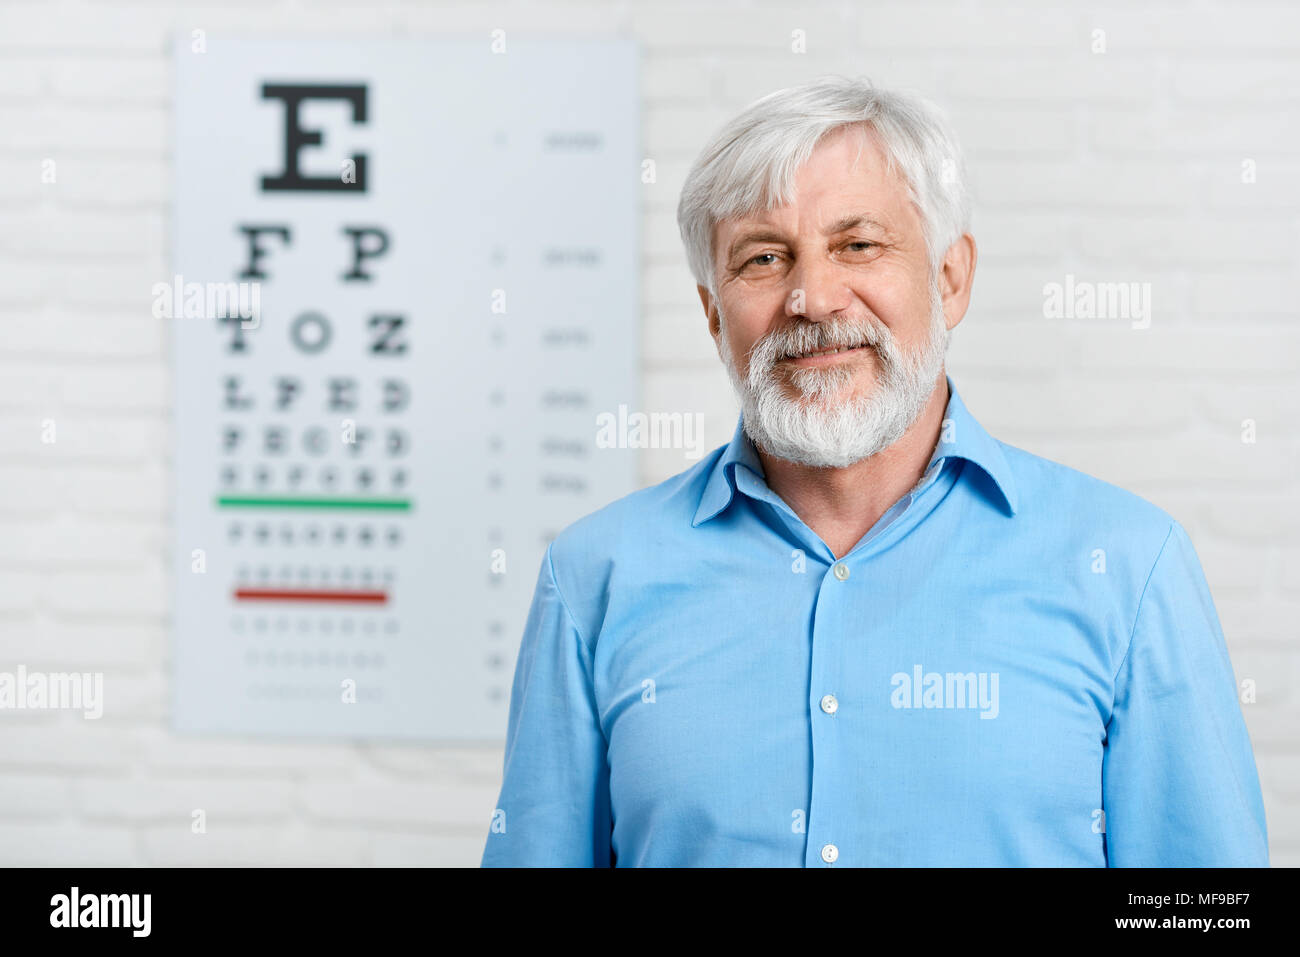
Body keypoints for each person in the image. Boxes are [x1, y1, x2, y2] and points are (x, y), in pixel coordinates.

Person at [481, 75, 1268, 867]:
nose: (814, 298)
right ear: (713, 312)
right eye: (763, 257)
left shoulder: (1129, 569)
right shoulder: (591, 579)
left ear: (950, 278)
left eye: (858, 244)